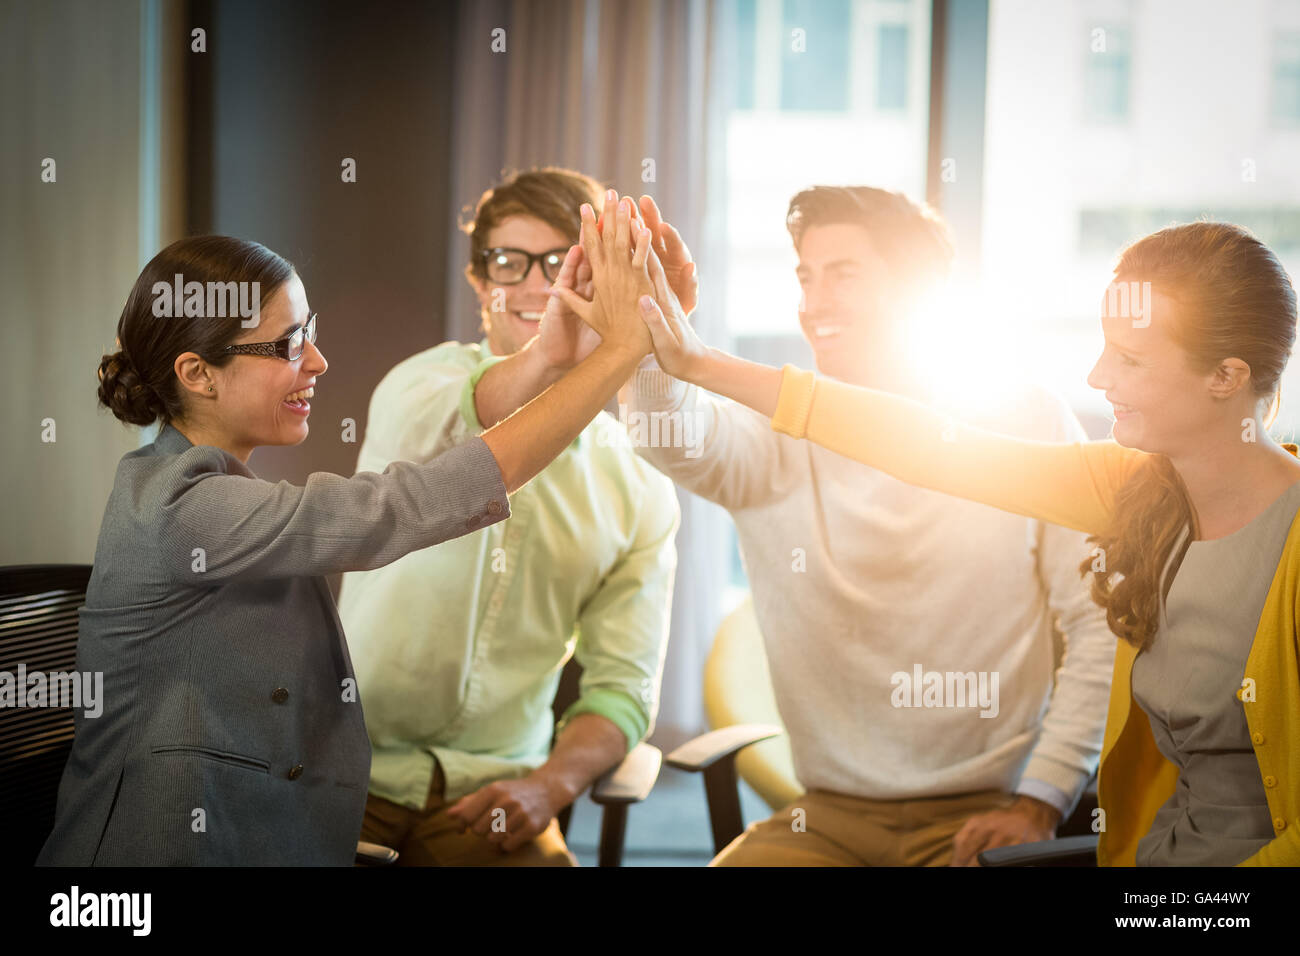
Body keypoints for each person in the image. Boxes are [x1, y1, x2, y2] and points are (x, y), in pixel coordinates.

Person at [624, 217, 1300, 867]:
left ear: (1226, 377)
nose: (1098, 377)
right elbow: (925, 447)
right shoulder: (1132, 488)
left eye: (1128, 360)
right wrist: (693, 360)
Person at [37, 209, 656, 865]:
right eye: (287, 346)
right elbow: (409, 505)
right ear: (198, 374)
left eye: (311, 333)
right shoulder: (182, 505)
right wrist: (619, 353)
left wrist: (558, 356)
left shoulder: (206, 485)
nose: (319, 362)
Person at [559, 188, 1117, 866]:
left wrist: (1042, 799)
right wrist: (648, 329)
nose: (814, 302)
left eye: (843, 274)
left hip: (988, 812)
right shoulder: (774, 432)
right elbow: (669, 436)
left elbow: (1098, 626)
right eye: (806, 276)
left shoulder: (1023, 420)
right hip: (824, 818)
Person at [338, 169, 682, 866]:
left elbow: (623, 685)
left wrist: (547, 787)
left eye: (565, 262)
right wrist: (560, 358)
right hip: (340, 767)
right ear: (478, 281)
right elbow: (486, 414)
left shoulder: (639, 483)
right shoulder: (418, 386)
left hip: (493, 793)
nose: (539, 285)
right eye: (509, 261)